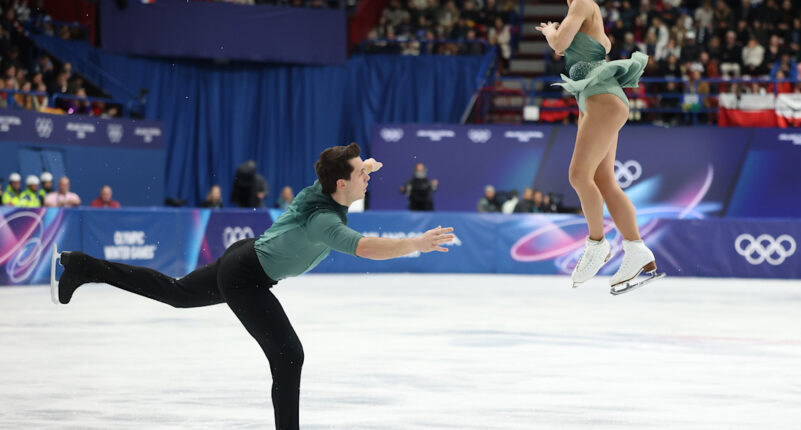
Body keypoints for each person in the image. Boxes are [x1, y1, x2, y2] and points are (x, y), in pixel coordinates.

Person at [52, 143, 455, 430]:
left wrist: (363, 164)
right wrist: (414, 244)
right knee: (290, 355)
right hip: (246, 277)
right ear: (340, 186)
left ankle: (82, 265)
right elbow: (365, 248)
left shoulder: (321, 189)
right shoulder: (323, 221)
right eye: (360, 175)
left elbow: (340, 176)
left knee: (175, 293)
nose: (367, 178)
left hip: (245, 256)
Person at [536, 0, 662, 294]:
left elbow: (561, 42)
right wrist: (559, 38)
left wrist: (551, 33)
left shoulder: (582, 3)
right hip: (597, 100)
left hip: (601, 98)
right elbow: (570, 47)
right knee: (604, 180)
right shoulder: (585, 11)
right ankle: (636, 248)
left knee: (579, 176)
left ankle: (597, 244)